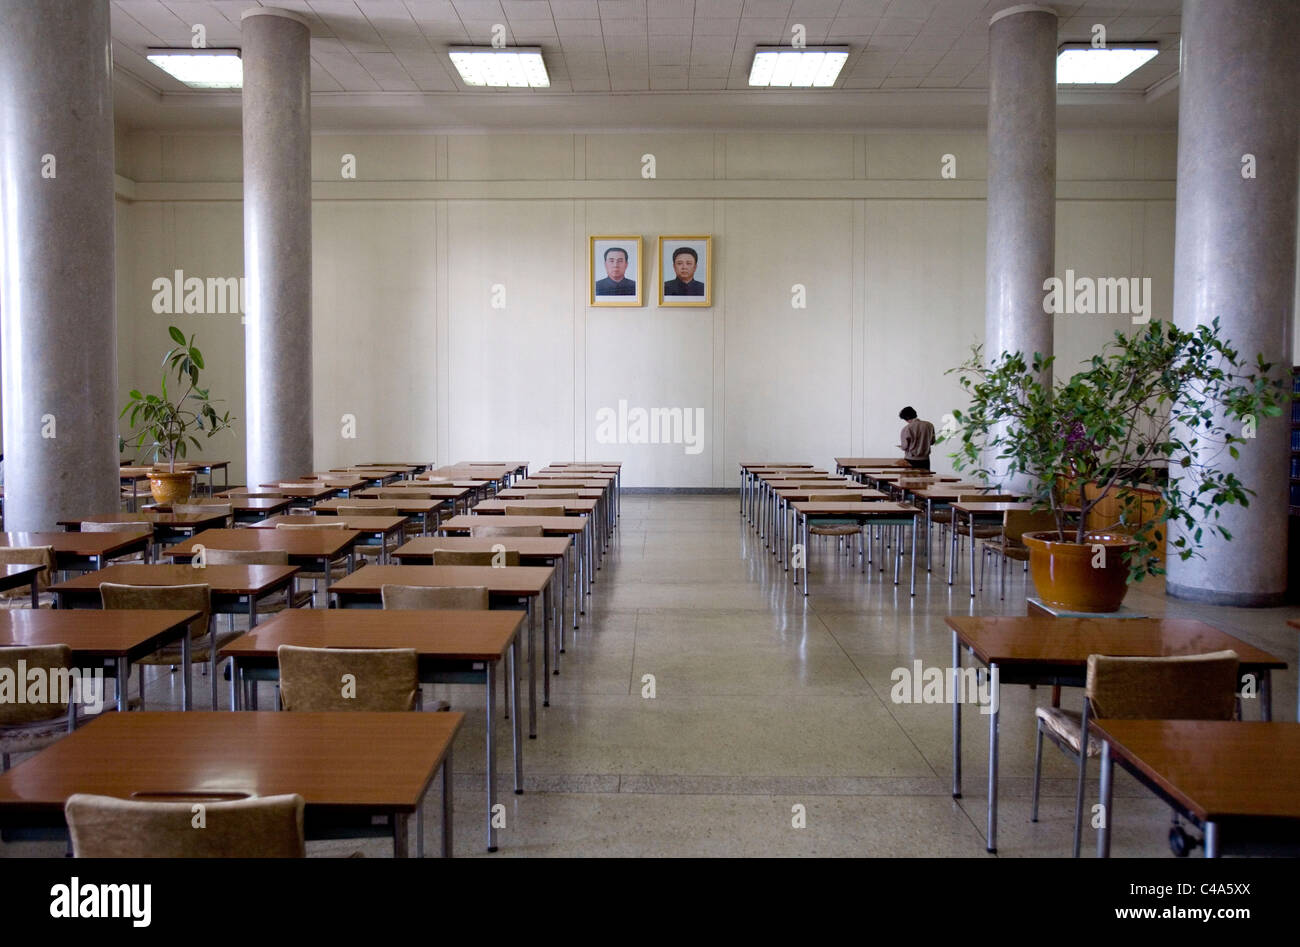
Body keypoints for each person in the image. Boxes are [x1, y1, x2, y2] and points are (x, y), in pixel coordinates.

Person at [898, 406, 935, 470]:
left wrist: (901, 447)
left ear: (906, 418)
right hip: (925, 460)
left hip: (910, 460)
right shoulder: (930, 425)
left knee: (909, 479)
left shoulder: (907, 428)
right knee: (925, 479)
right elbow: (932, 442)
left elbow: (905, 447)